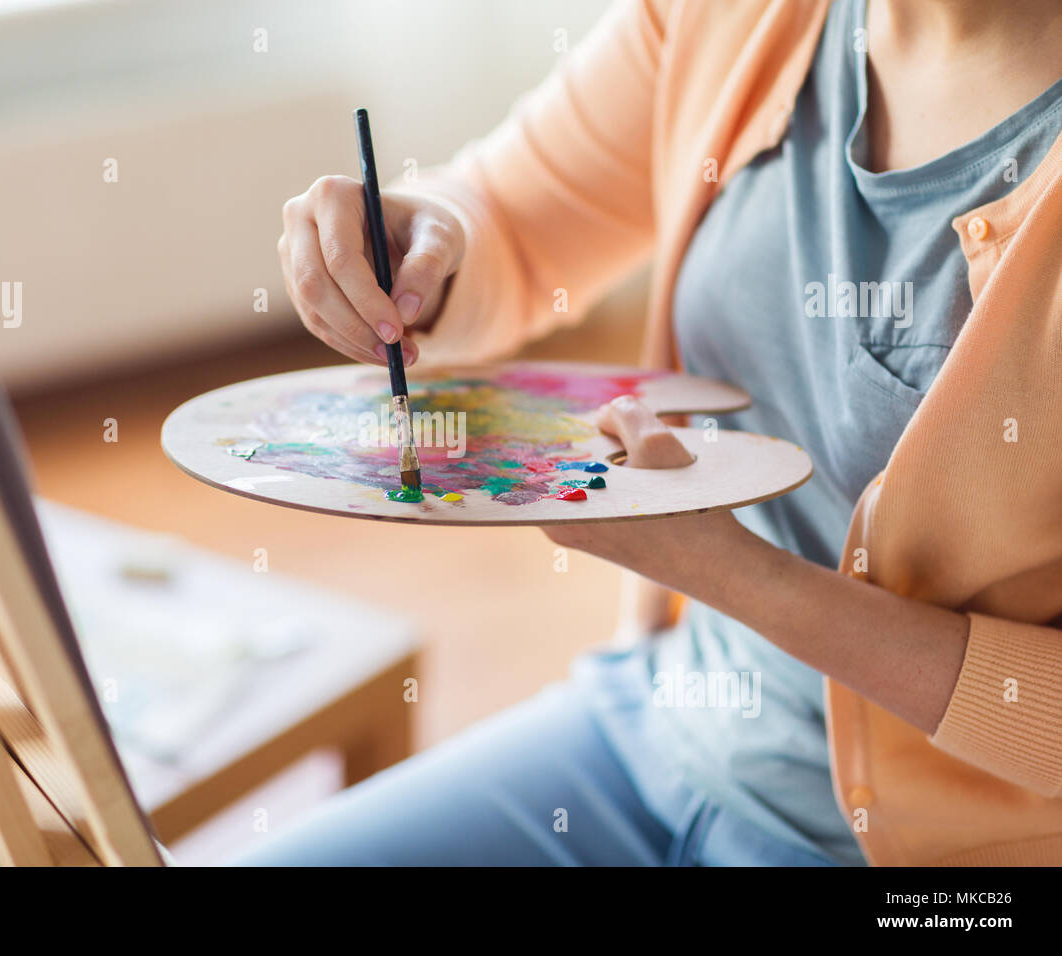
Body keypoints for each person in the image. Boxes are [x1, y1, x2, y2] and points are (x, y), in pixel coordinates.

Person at [250, 0, 1062, 865]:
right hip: (664, 725)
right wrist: (425, 242)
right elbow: (514, 219)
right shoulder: (734, 16)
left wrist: (734, 576)